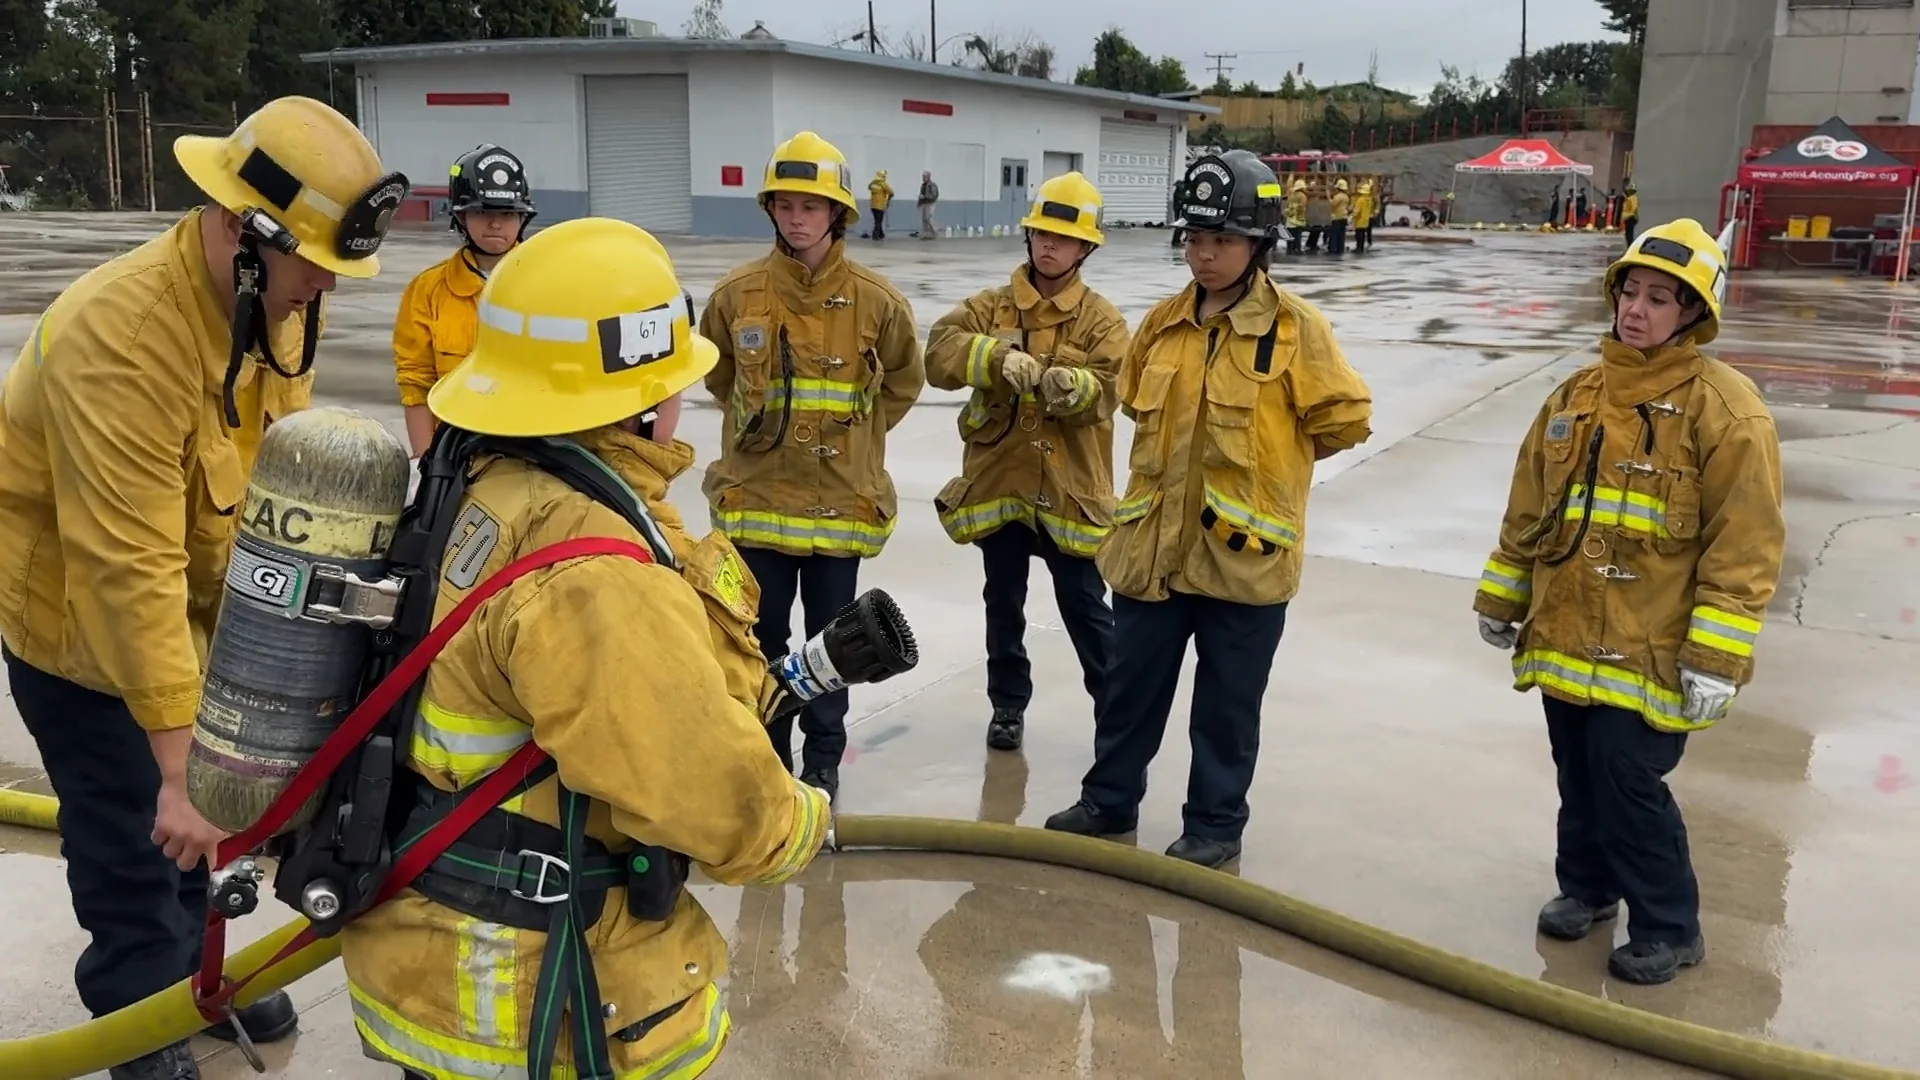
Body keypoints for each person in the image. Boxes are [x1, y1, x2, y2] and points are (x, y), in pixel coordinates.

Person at [338, 216, 835, 1080]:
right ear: (641, 400)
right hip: (532, 997)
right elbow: (704, 789)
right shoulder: (591, 571)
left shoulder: (481, 480)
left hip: (432, 954)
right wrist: (798, 823)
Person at [0, 95, 405, 1080]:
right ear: (243, 229)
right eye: (314, 264)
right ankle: (144, 1021)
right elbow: (122, 568)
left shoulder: (271, 309)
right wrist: (182, 772)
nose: (323, 288)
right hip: (83, 639)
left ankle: (197, 969)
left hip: (196, 615)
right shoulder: (123, 341)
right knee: (140, 844)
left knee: (213, 831)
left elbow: (262, 488)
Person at [1471, 218, 1783, 986]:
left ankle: (1671, 926)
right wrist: (1504, 595)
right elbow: (1528, 507)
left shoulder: (1728, 412)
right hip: (1567, 633)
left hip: (1654, 651)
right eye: (1630, 293)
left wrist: (1716, 658)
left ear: (1693, 315)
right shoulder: (1575, 396)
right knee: (1577, 769)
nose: (1637, 311)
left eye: (1659, 299)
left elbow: (1745, 546)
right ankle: (1587, 888)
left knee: (1626, 778)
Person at [1043, 150, 1373, 868]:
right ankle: (1108, 802)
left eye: (1222, 240)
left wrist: (1274, 471)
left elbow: (1345, 419)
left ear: (1259, 246)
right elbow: (1132, 399)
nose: (1205, 254)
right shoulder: (1162, 325)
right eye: (1195, 239)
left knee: (1225, 709)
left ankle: (1215, 827)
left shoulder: (1296, 331)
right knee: (1129, 691)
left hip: (1244, 562)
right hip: (1151, 551)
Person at [700, 131, 925, 801]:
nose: (798, 218)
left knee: (834, 647)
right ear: (771, 209)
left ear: (838, 214)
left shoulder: (877, 302)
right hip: (758, 504)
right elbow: (716, 375)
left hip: (838, 509)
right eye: (787, 205)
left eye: (812, 206)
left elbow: (904, 383)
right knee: (761, 641)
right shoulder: (736, 296)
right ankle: (767, 759)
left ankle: (822, 762)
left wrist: (855, 439)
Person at [925, 171, 1129, 752]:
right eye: (1041, 233)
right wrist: (988, 357)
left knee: (1087, 610)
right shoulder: (989, 308)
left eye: (1062, 239)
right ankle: (1007, 706)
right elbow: (938, 351)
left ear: (1085, 248)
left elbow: (1117, 386)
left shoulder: (1101, 320)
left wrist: (1078, 387)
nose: (1049, 245)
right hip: (1002, 487)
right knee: (1003, 605)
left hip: (1069, 494)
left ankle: (1116, 724)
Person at [392, 143, 537, 456]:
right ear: (461, 216)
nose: (496, 223)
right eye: (484, 212)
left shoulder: (546, 286)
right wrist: (425, 464)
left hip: (533, 452)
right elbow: (416, 384)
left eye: (507, 213)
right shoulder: (427, 291)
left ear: (522, 218)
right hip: (454, 455)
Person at [1327, 177, 1351, 256]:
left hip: (1337, 217)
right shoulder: (1346, 196)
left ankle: (1333, 248)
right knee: (1341, 234)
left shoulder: (1338, 196)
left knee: (1334, 234)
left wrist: (1328, 197)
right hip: (1344, 216)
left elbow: (1333, 205)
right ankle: (1340, 248)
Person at [867, 168, 893, 240]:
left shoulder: (873, 184)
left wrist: (873, 181)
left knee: (877, 221)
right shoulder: (883, 184)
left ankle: (881, 234)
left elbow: (869, 187)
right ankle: (875, 235)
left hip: (873, 206)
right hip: (880, 206)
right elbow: (891, 192)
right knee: (878, 222)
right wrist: (888, 200)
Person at [1283, 179, 1307, 256]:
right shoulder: (1302, 196)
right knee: (1297, 235)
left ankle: (1289, 249)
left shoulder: (1292, 195)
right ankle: (1297, 249)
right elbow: (1302, 207)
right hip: (1297, 219)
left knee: (1290, 235)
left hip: (1290, 218)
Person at [1352, 179, 1376, 254]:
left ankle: (1359, 248)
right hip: (1365, 220)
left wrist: (1352, 217)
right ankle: (1361, 247)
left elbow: (1357, 211)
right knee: (1362, 235)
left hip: (1359, 220)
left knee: (1358, 235)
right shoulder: (1369, 199)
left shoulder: (1360, 200)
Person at [918, 169, 941, 239]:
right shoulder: (923, 185)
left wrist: (925, 197)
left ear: (928, 177)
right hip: (924, 204)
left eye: (924, 177)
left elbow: (934, 195)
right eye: (922, 176)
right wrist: (919, 203)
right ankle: (926, 233)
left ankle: (934, 232)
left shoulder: (932, 185)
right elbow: (921, 194)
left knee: (929, 218)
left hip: (930, 203)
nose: (923, 178)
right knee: (924, 219)